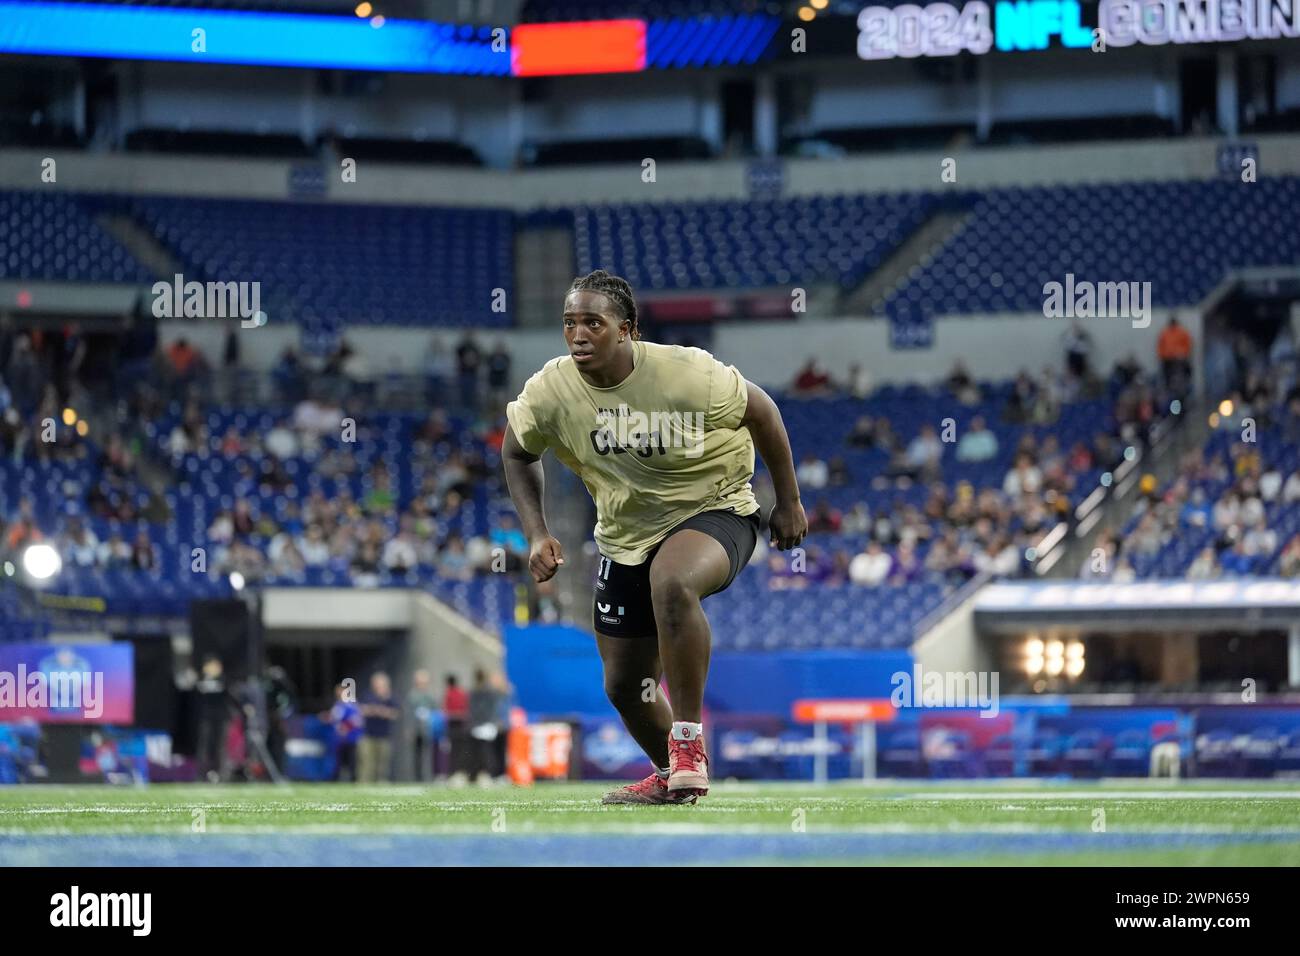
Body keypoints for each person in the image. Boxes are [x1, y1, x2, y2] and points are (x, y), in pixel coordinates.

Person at [503, 270, 807, 804]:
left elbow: (762, 410)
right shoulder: (550, 390)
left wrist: (789, 500)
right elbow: (517, 451)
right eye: (570, 323)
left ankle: (688, 742)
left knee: (672, 582)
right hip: (624, 536)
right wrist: (537, 532)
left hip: (717, 509)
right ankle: (672, 775)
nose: (578, 334)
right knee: (625, 685)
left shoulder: (686, 372)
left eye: (593, 323)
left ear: (627, 330)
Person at [357, 672, 398, 783]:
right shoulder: (367, 695)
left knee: (383, 763)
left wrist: (382, 711)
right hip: (368, 734)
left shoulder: (389, 698)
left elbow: (395, 714)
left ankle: (382, 781)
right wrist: (371, 710)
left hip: (384, 735)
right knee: (367, 762)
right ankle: (364, 782)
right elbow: (360, 710)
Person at [407, 669, 439, 782]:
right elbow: (409, 714)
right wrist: (409, 729)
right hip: (417, 730)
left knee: (430, 755)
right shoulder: (412, 695)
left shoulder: (431, 696)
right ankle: (418, 778)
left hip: (428, 729)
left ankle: (430, 777)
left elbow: (436, 712)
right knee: (417, 755)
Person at [441, 674, 469, 781]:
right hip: (462, 725)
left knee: (453, 750)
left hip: (453, 725)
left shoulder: (449, 694)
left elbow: (446, 712)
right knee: (460, 750)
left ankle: (453, 772)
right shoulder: (462, 693)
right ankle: (460, 772)